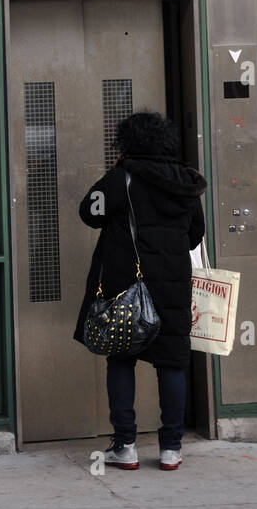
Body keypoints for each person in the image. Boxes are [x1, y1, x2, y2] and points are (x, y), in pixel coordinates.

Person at [74, 111, 206, 471]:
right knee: (173, 361)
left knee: (120, 356)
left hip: (126, 283)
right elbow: (195, 233)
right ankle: (171, 449)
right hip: (174, 284)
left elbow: (89, 212)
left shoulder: (122, 179)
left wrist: (115, 171)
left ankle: (126, 445)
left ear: (127, 143)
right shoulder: (185, 181)